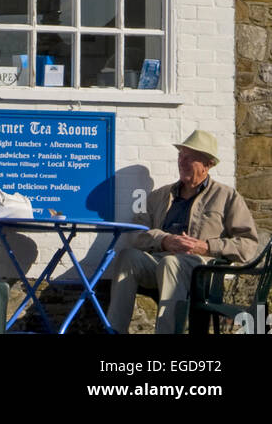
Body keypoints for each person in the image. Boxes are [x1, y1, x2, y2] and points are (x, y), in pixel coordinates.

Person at [108, 128, 259, 334]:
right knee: (128, 257)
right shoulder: (160, 195)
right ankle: (114, 331)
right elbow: (136, 233)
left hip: (200, 269)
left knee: (172, 263)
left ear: (208, 164)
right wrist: (164, 240)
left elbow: (248, 243)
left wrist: (205, 246)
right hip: (159, 261)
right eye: (181, 156)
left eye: (189, 158)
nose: (182, 161)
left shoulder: (226, 196)